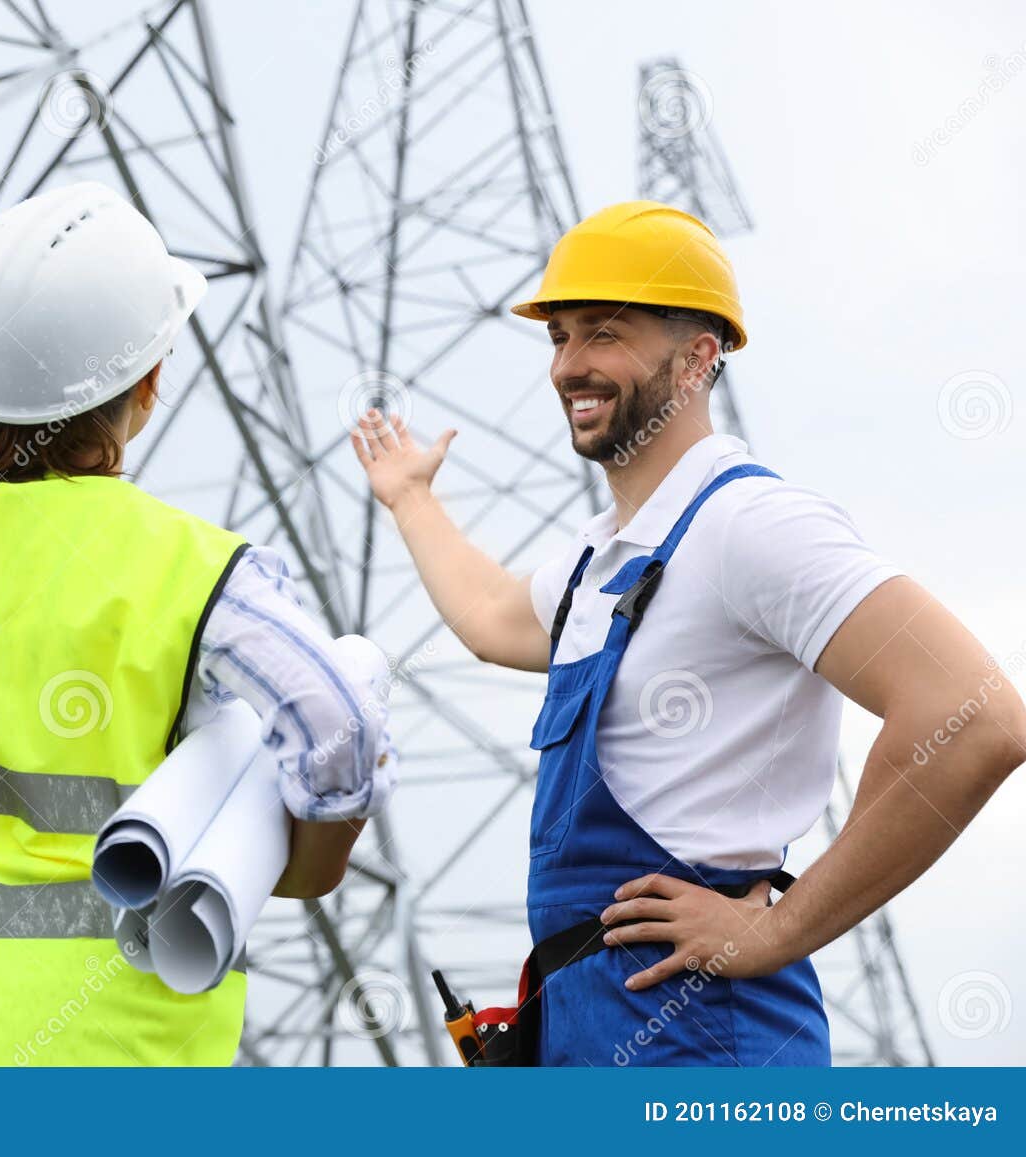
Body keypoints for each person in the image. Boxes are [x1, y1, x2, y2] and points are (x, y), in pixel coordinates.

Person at [351, 200, 1024, 1066]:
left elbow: (974, 718)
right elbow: (489, 618)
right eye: (558, 336)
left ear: (700, 356)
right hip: (586, 1028)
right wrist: (411, 497)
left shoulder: (753, 524)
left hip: (710, 1043)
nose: (568, 365)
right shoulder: (601, 561)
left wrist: (779, 929)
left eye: (603, 333)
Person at [0, 181, 393, 1066]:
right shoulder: (201, 570)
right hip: (100, 1056)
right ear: (148, 382)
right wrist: (314, 862)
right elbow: (339, 720)